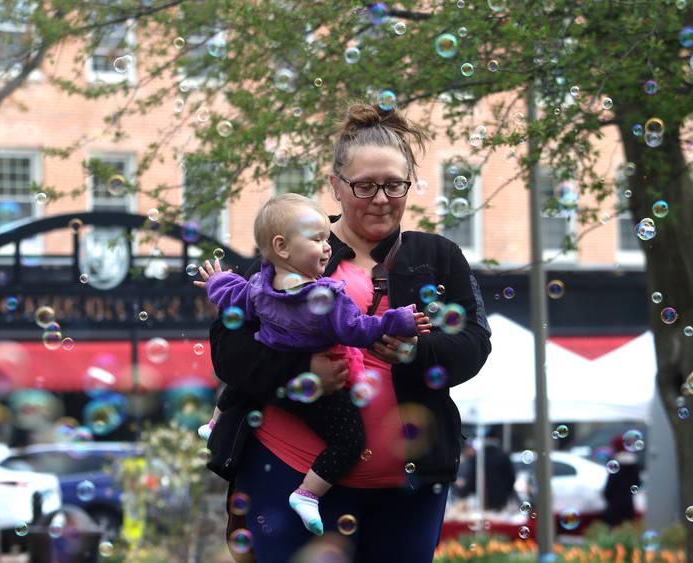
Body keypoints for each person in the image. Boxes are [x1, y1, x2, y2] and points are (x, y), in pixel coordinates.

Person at [207, 103, 492, 563]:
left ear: (409, 183)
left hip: (409, 487)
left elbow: (474, 345)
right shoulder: (289, 248)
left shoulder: (438, 256)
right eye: (364, 185)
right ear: (336, 185)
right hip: (287, 474)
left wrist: (414, 352)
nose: (381, 198)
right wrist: (304, 369)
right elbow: (227, 349)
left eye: (394, 184)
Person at [194, 193, 431, 535]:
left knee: (247, 382)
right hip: (320, 391)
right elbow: (360, 330)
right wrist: (399, 321)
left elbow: (233, 298)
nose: (326, 247)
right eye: (317, 239)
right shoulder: (329, 297)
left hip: (275, 387)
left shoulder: (260, 285)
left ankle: (214, 423)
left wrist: (215, 281)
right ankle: (307, 494)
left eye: (326, 239)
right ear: (283, 247)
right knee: (349, 442)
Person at [603, 435, 641, 527]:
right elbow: (637, 482)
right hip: (628, 502)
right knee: (628, 527)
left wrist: (606, 495)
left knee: (614, 528)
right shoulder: (633, 463)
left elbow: (610, 485)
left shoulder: (615, 463)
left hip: (614, 504)